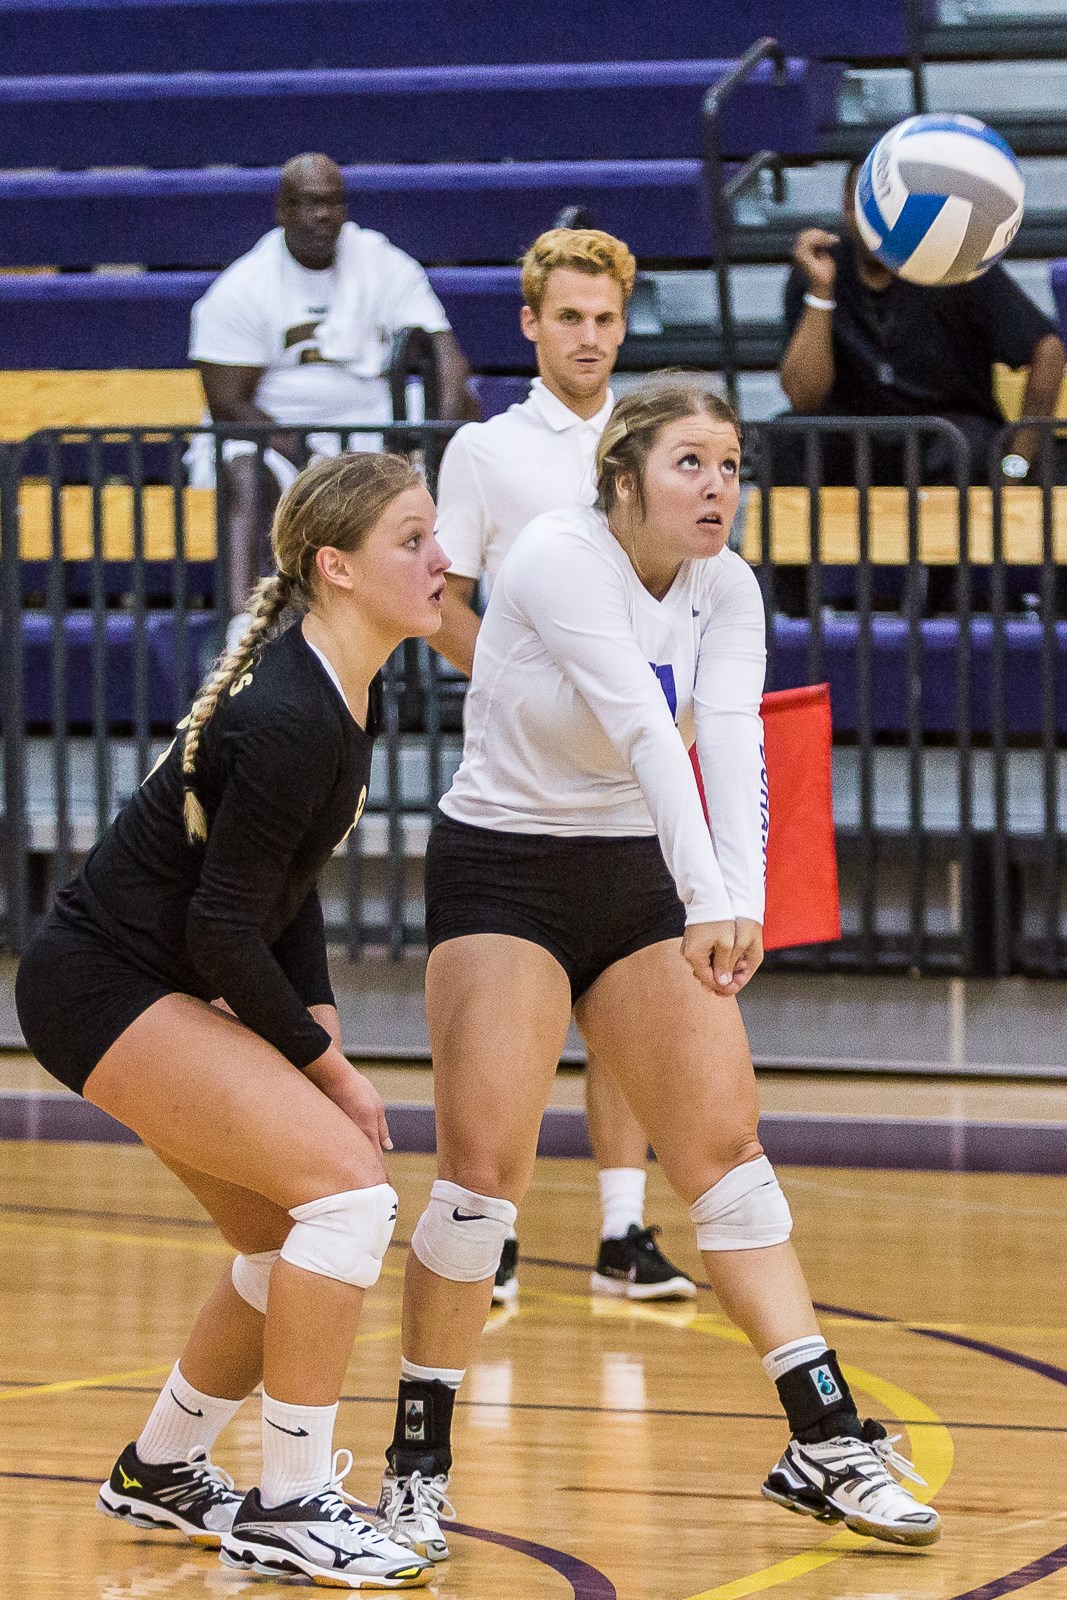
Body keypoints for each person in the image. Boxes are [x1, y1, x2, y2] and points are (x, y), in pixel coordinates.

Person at [375, 377, 943, 1566]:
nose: (717, 486)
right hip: (509, 867)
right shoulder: (555, 554)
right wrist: (707, 898)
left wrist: (737, 903)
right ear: (622, 479)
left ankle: (822, 1437)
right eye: (690, 463)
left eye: (730, 465)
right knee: (479, 1179)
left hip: (634, 862)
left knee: (727, 1157)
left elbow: (727, 735)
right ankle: (414, 1468)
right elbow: (642, 726)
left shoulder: (723, 585)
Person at [14, 452, 451, 1590]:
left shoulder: (338, 688)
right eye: (412, 539)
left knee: (283, 1232)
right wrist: (333, 1073)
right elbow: (220, 929)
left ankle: (162, 1465)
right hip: (103, 984)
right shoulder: (294, 712)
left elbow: (278, 896)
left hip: (142, 981)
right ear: (336, 567)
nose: (441, 559)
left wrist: (320, 1034)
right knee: (348, 1196)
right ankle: (292, 1501)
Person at [432, 226, 695, 1309]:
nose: (589, 337)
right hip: (523, 780)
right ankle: (491, 1232)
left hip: (634, 773)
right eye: (569, 318)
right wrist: (528, 677)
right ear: (530, 323)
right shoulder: (486, 452)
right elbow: (442, 599)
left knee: (629, 1009)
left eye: (606, 319)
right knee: (517, 1020)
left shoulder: (660, 445)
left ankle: (621, 1231)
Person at [187, 151, 472, 627]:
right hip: (279, 435)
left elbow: (445, 351)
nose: (323, 215)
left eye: (333, 202)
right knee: (244, 470)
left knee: (467, 418)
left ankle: (451, 605)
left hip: (373, 426)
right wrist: (316, 460)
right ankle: (247, 625)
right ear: (282, 209)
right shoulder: (242, 287)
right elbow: (228, 404)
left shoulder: (379, 260)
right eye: (309, 203)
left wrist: (436, 433)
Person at [777, 162, 1065, 487]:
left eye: (891, 205)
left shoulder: (952, 260)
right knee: (789, 438)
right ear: (847, 208)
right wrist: (820, 292)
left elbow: (1049, 350)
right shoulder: (819, 268)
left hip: (948, 432)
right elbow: (804, 399)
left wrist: (1016, 465)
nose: (879, 219)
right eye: (868, 206)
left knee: (960, 446)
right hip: (855, 436)